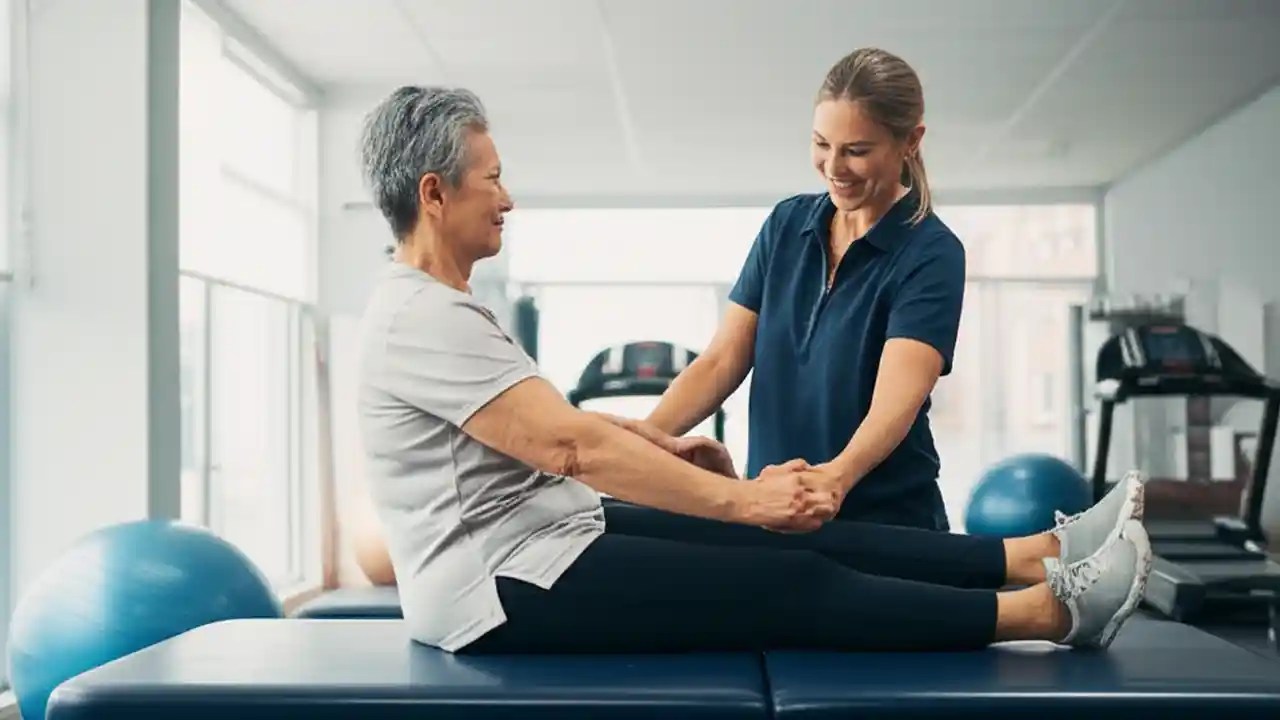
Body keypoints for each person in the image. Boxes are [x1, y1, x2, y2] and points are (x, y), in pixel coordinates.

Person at [354, 83, 1153, 656]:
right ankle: (1049, 613)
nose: (507, 197)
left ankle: (1033, 552)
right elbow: (569, 448)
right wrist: (738, 502)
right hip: (493, 589)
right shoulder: (421, 316)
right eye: (492, 177)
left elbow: (552, 434)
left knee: (799, 546)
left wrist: (661, 450)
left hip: (543, 537)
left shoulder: (439, 308)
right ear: (435, 193)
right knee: (791, 579)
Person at [637, 48, 968, 531]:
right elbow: (721, 360)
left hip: (884, 519)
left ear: (910, 142)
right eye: (821, 144)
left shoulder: (932, 253)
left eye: (857, 150)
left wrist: (834, 479)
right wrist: (638, 445)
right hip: (777, 513)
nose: (834, 166)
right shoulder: (787, 225)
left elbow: (895, 405)